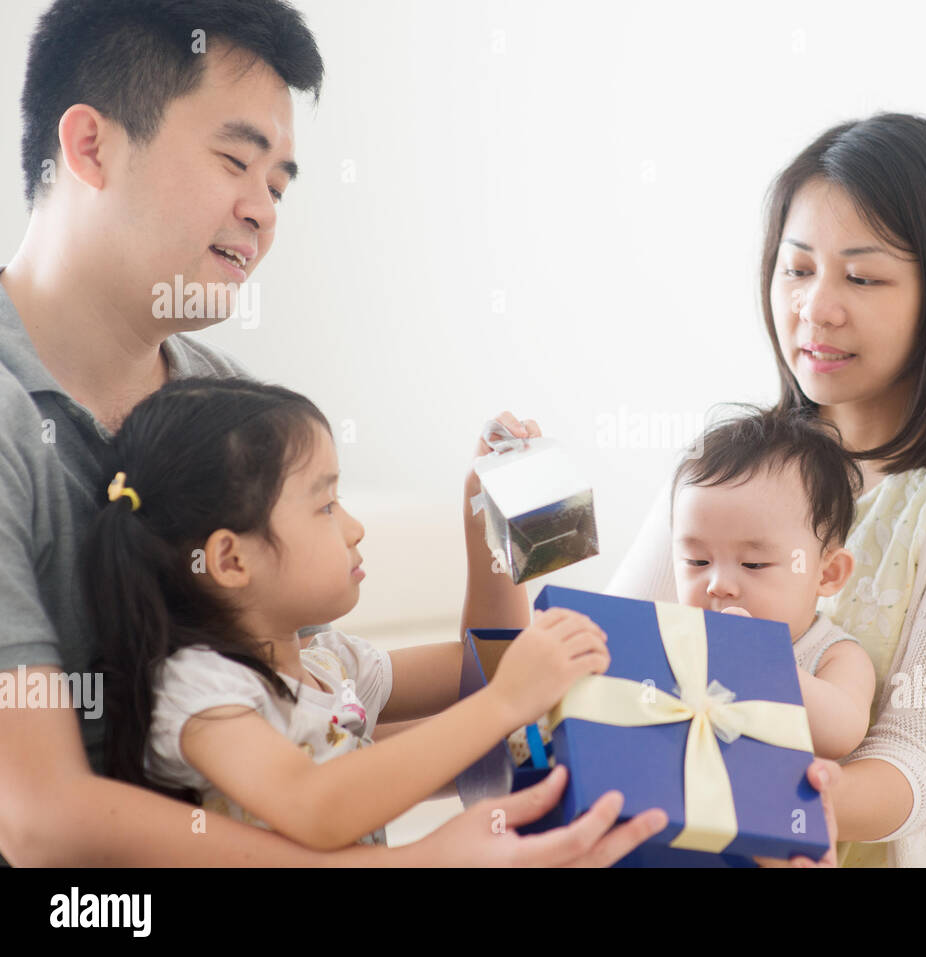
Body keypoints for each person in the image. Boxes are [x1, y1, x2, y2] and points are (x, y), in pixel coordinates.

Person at [0, 0, 668, 866]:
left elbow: (324, 729)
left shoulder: (229, 408)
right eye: (236, 161)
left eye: (277, 184)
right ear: (90, 145)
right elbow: (41, 819)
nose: (263, 211)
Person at [609, 113, 926, 867]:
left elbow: (911, 765)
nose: (816, 307)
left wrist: (763, 808)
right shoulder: (730, 471)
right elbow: (614, 655)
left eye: (862, 277)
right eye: (797, 269)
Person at [82, 377, 614, 850]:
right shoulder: (201, 690)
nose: (354, 528)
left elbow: (483, 666)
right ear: (230, 559)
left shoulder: (333, 667)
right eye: (327, 505)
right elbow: (315, 805)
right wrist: (503, 702)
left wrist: (483, 517)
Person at [669, 404, 875, 759]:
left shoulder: (832, 655)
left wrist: (762, 662)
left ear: (827, 574)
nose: (718, 584)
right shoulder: (678, 635)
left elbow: (842, 732)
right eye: (697, 561)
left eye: (753, 564)